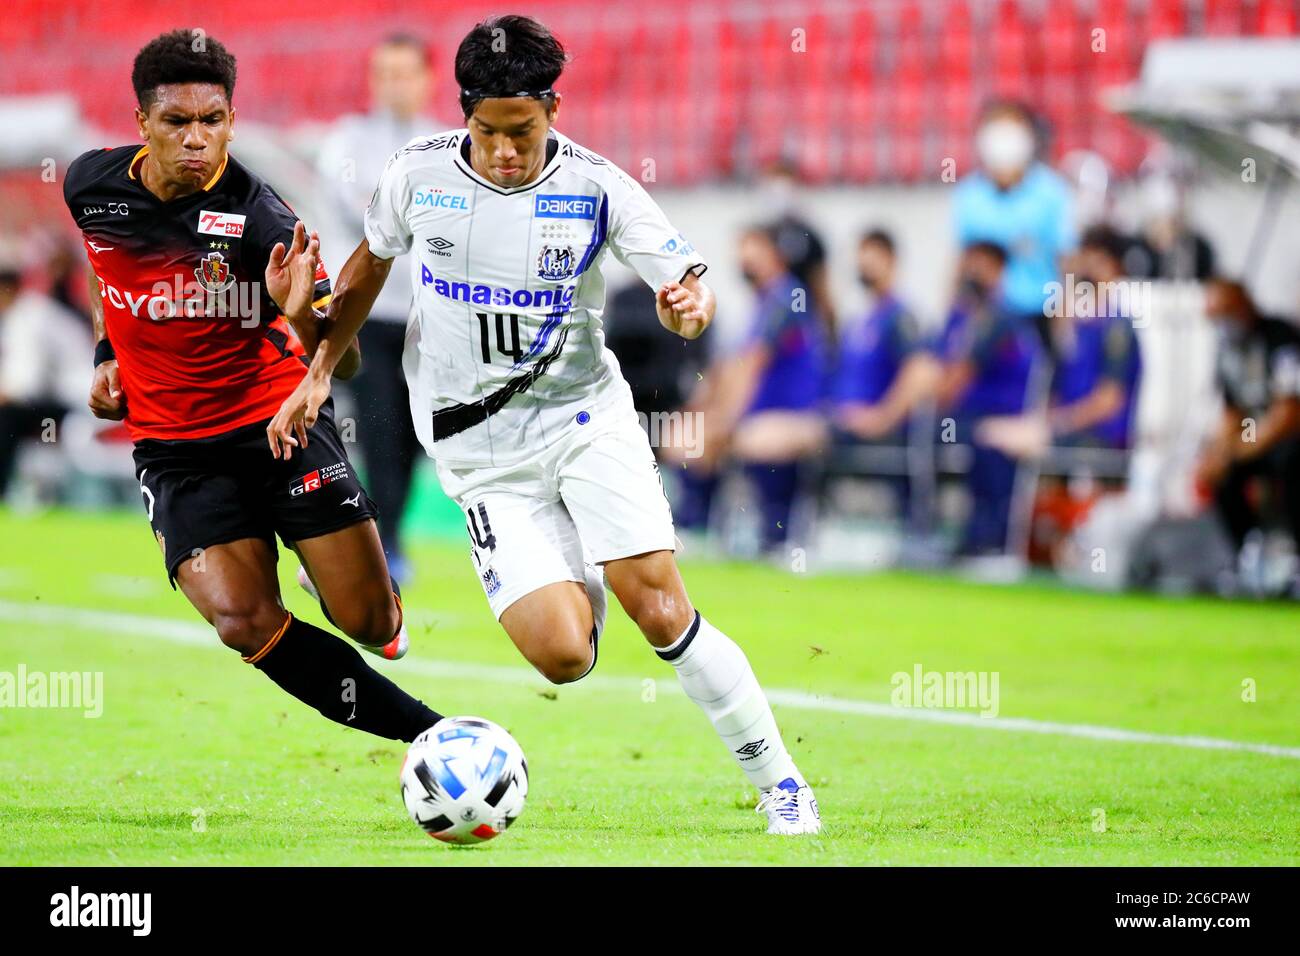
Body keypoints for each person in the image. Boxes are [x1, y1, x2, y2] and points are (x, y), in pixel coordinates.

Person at [268, 15, 820, 834]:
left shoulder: (598, 187)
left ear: (552, 109)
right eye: (487, 131)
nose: (503, 150)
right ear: (464, 115)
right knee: (565, 657)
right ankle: (572, 567)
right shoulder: (417, 177)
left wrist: (688, 309)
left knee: (661, 606)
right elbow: (368, 267)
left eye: (521, 131)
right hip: (481, 455)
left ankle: (781, 783)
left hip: (585, 420)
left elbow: (691, 296)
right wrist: (317, 371)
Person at [62, 29, 445, 745]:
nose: (197, 140)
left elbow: (349, 359)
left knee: (373, 623)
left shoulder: (263, 220)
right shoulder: (91, 186)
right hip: (176, 449)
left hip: (278, 429)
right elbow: (102, 266)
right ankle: (433, 735)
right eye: (177, 122)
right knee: (242, 620)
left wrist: (299, 309)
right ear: (142, 123)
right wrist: (106, 352)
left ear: (232, 123)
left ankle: (364, 601)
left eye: (213, 121)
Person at [316, 33, 444, 580]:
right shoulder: (347, 140)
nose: (395, 84)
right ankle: (380, 539)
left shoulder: (447, 142)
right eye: (385, 73)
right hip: (367, 313)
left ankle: (387, 531)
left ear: (426, 79)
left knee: (418, 433)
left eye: (405, 72)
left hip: (428, 317)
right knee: (378, 426)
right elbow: (367, 214)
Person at [667, 224, 828, 552]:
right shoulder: (758, 304)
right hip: (758, 416)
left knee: (752, 440)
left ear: (775, 256)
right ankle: (698, 529)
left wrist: (724, 422)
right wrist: (703, 414)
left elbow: (752, 367)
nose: (744, 260)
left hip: (799, 416)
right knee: (681, 436)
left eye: (754, 251)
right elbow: (726, 371)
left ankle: (778, 538)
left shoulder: (787, 297)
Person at [936, 241, 1041, 556]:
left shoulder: (999, 319)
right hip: (967, 417)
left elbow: (957, 377)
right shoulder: (963, 316)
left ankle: (988, 542)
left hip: (1000, 415)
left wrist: (936, 395)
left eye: (981, 266)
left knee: (983, 443)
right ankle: (924, 529)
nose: (972, 273)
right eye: (970, 264)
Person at [1195, 278, 1300, 562]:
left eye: (1224, 312)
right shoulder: (1227, 350)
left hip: (1286, 436)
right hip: (1255, 437)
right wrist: (1220, 453)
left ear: (1243, 305)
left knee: (1291, 463)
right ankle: (1246, 553)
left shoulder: (1279, 339)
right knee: (1222, 475)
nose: (1220, 323)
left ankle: (1294, 557)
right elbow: (1233, 413)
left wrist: (1243, 449)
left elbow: (1288, 411)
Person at [954, 100, 1075, 337]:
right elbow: (960, 261)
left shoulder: (1051, 192)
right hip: (985, 319)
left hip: (1039, 316)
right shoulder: (969, 195)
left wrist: (1065, 319)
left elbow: (1066, 261)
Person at [831, 229, 939, 444]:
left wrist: (884, 418)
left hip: (871, 433)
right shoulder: (860, 320)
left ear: (891, 260)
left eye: (872, 257)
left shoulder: (900, 317)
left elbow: (923, 371)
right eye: (861, 257)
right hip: (840, 421)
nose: (864, 264)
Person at [0, 249, 93, 497]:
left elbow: (28, 383)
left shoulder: (27, 319)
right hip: (73, 399)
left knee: (7, 417)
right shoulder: (32, 310)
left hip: (74, 403)